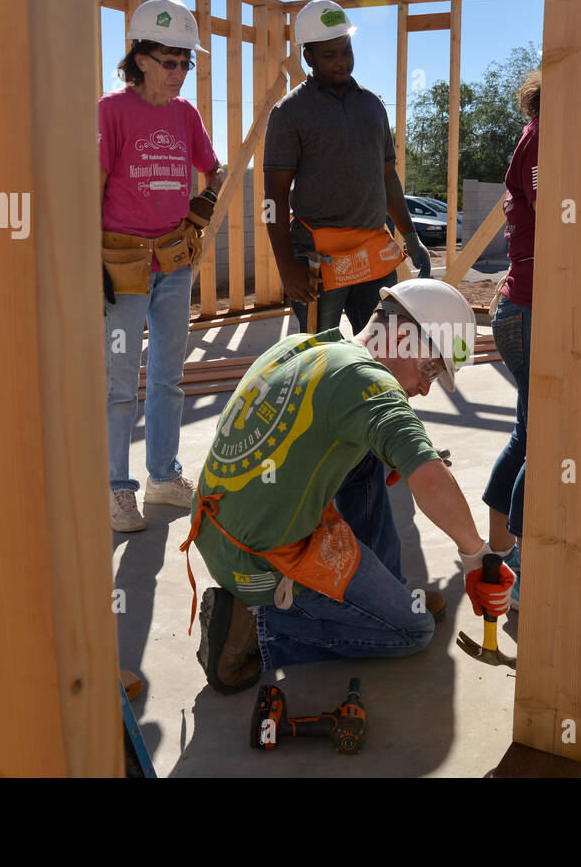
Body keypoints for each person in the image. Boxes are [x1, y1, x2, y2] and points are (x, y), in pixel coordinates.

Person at [181, 279, 514, 694]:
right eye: (430, 368)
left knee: (369, 458)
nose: (426, 387)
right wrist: (475, 555)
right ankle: (256, 627)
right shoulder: (368, 384)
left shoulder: (308, 347)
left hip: (219, 527)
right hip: (259, 565)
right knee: (414, 631)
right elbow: (428, 475)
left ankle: (386, 594)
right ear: (404, 337)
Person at [101, 0, 223, 532]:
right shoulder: (111, 110)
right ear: (141, 58)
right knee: (119, 383)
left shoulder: (185, 115)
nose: (178, 73)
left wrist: (204, 203)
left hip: (173, 263)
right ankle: (114, 488)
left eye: (185, 63)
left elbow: (212, 169)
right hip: (122, 265)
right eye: (169, 61)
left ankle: (163, 477)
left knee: (169, 378)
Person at [264, 0, 432, 336]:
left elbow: (387, 178)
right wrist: (286, 266)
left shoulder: (372, 106)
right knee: (322, 352)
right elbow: (274, 198)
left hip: (372, 250)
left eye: (347, 51)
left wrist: (411, 235)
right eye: (329, 55)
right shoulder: (289, 113)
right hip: (318, 254)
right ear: (307, 56)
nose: (342, 62)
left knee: (383, 349)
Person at [481, 70, 540, 612]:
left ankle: (499, 554)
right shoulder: (547, 138)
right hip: (529, 309)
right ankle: (519, 566)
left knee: (528, 434)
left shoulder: (536, 132)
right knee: (544, 438)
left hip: (521, 306)